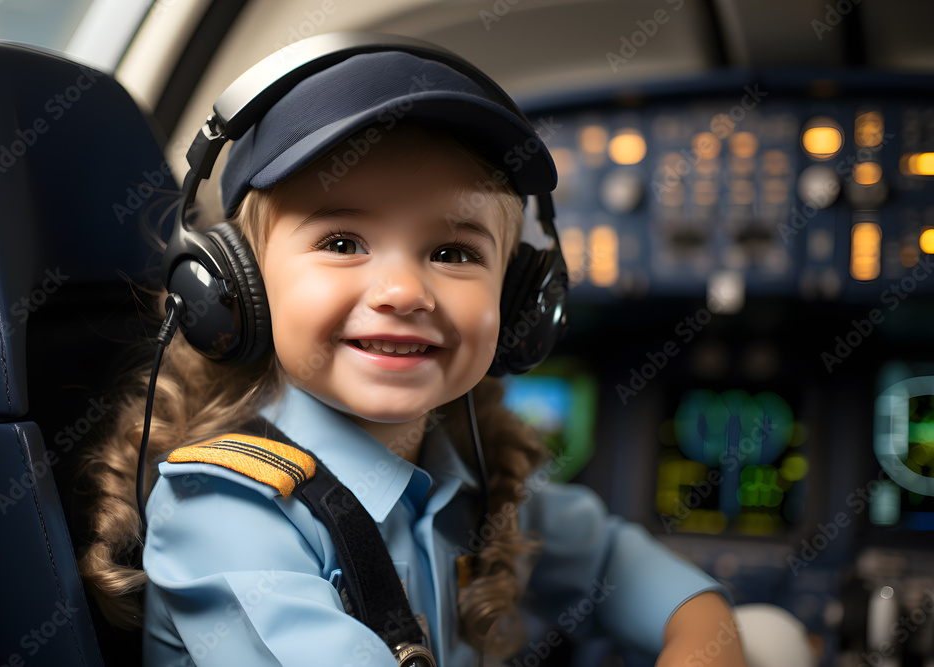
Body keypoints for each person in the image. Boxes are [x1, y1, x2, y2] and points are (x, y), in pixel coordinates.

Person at [77, 38, 747, 667]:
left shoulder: (473, 473)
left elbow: (659, 587)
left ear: (518, 305)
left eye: (453, 252)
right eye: (342, 242)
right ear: (233, 286)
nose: (402, 291)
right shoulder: (222, 512)